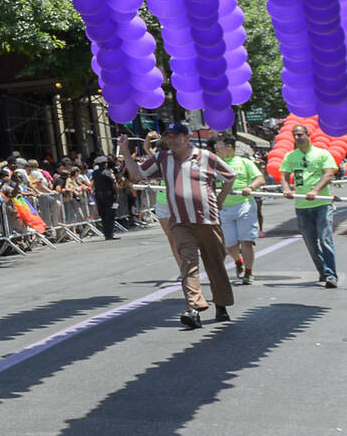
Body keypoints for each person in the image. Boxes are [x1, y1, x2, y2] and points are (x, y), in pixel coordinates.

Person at [120, 124, 236, 329]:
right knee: (188, 263)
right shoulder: (162, 158)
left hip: (207, 220)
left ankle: (221, 304)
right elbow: (137, 175)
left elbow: (230, 175)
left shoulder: (205, 156)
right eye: (168, 136)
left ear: (187, 137)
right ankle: (193, 308)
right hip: (180, 222)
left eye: (176, 136)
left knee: (215, 263)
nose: (172, 140)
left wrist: (220, 199)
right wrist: (125, 152)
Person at [279, 124, 340, 287]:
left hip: (322, 203)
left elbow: (329, 174)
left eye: (300, 134)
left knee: (325, 239)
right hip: (302, 206)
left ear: (307, 135)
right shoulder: (290, 156)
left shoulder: (322, 154)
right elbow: (284, 175)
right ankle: (322, 270)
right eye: (295, 135)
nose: (297, 138)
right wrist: (286, 189)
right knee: (310, 242)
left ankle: (330, 275)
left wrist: (315, 190)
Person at [215, 138, 264, 285]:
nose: (217, 148)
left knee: (246, 241)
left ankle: (249, 272)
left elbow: (260, 179)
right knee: (229, 244)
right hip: (223, 208)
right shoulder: (215, 163)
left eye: (219, 145)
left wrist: (250, 188)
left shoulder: (244, 162)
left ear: (229, 146)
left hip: (244, 206)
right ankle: (238, 261)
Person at [90, 155, 118, 240]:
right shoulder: (108, 172)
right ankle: (110, 233)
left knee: (103, 215)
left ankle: (106, 234)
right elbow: (114, 185)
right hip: (108, 196)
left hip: (99, 196)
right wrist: (116, 193)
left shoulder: (95, 173)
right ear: (105, 164)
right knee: (110, 214)